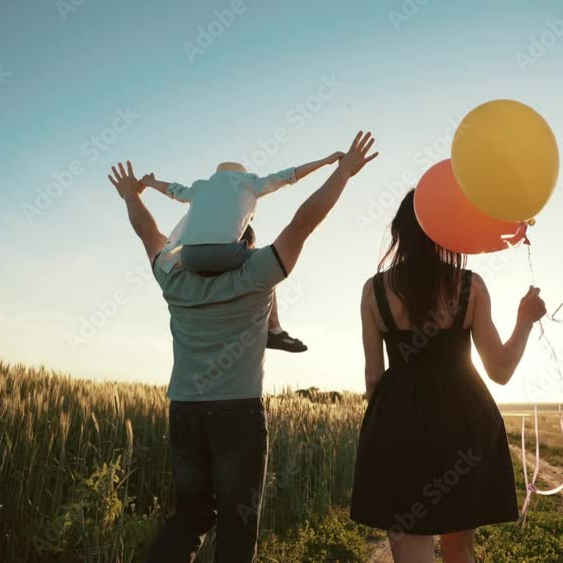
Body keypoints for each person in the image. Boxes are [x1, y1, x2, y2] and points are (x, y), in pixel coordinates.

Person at [107, 131, 377, 563]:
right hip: (238, 415)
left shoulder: (173, 279)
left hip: (185, 413)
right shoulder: (257, 276)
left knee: (189, 518)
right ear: (241, 238)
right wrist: (342, 173)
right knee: (237, 526)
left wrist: (130, 196)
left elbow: (149, 233)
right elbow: (302, 222)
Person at [349, 190, 547, 563]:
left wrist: (387, 421)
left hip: (397, 423)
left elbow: (373, 376)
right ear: (448, 232)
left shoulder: (373, 291)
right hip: (463, 422)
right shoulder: (471, 286)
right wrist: (524, 320)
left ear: (399, 232)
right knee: (460, 554)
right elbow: (500, 371)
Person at [139, 153, 343, 352]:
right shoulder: (250, 183)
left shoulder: (200, 186)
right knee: (269, 261)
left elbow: (172, 190)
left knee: (223, 258)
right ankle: (274, 329)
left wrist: (150, 183)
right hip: (224, 255)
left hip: (189, 258)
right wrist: (325, 162)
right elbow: (290, 175)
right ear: (241, 175)